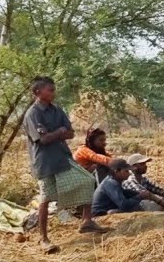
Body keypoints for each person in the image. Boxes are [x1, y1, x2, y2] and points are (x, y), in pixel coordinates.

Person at [22, 76, 107, 252]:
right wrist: (59, 131)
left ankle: (87, 220)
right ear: (38, 92)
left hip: (62, 158)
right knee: (45, 199)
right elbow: (43, 140)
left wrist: (57, 133)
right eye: (50, 90)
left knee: (87, 180)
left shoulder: (57, 110)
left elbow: (70, 133)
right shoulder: (33, 114)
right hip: (45, 163)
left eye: (53, 90)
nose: (53, 93)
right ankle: (43, 239)